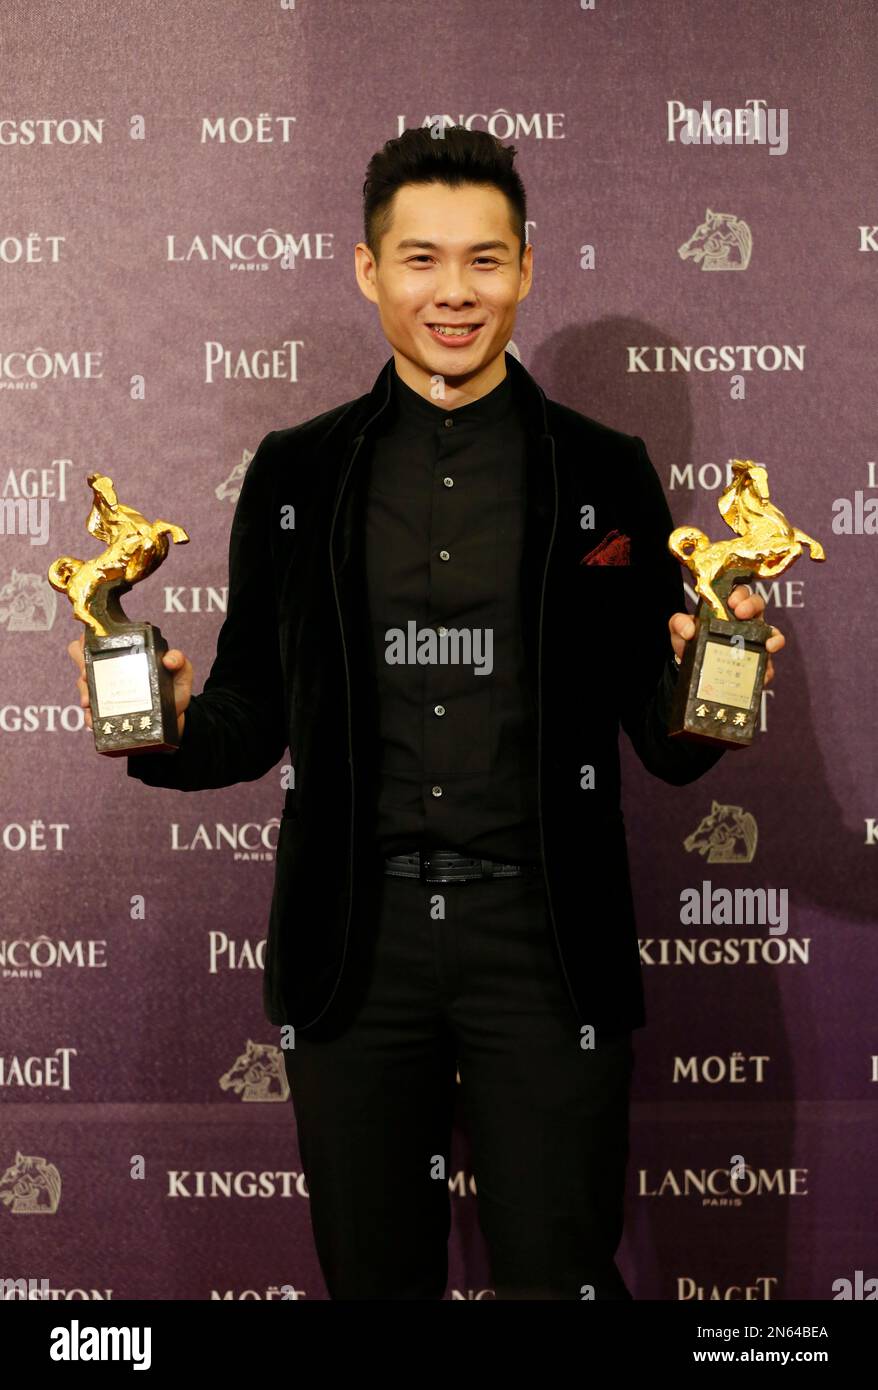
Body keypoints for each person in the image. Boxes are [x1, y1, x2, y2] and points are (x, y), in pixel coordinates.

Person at [69, 125, 785, 1299]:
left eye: (483, 260)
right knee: (372, 1279)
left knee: (557, 1276)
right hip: (356, 951)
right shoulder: (295, 472)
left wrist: (721, 667)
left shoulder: (604, 471)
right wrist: (160, 723)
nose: (453, 292)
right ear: (367, 271)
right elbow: (248, 717)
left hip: (543, 951)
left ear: (526, 269)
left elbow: (666, 744)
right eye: (420, 259)